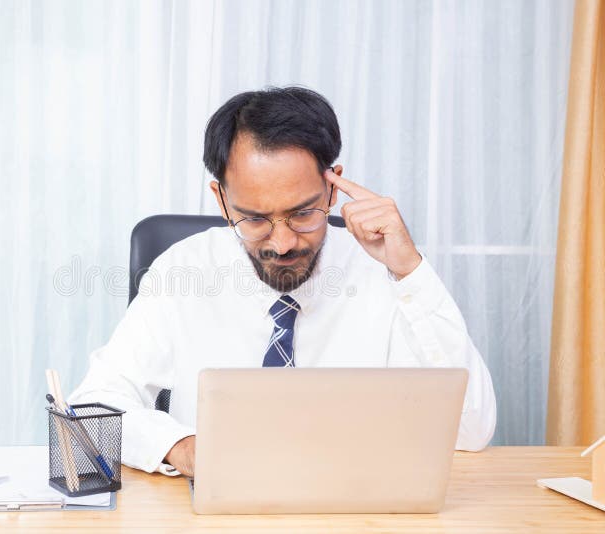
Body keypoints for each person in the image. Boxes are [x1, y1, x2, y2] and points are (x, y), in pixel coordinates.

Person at [69, 86, 497, 478]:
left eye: (303, 213)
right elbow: (92, 406)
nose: (283, 242)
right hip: (218, 511)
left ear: (332, 190)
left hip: (355, 507)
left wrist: (410, 273)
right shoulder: (183, 271)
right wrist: (182, 448)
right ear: (222, 200)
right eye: (255, 218)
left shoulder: (383, 272)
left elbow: (470, 430)